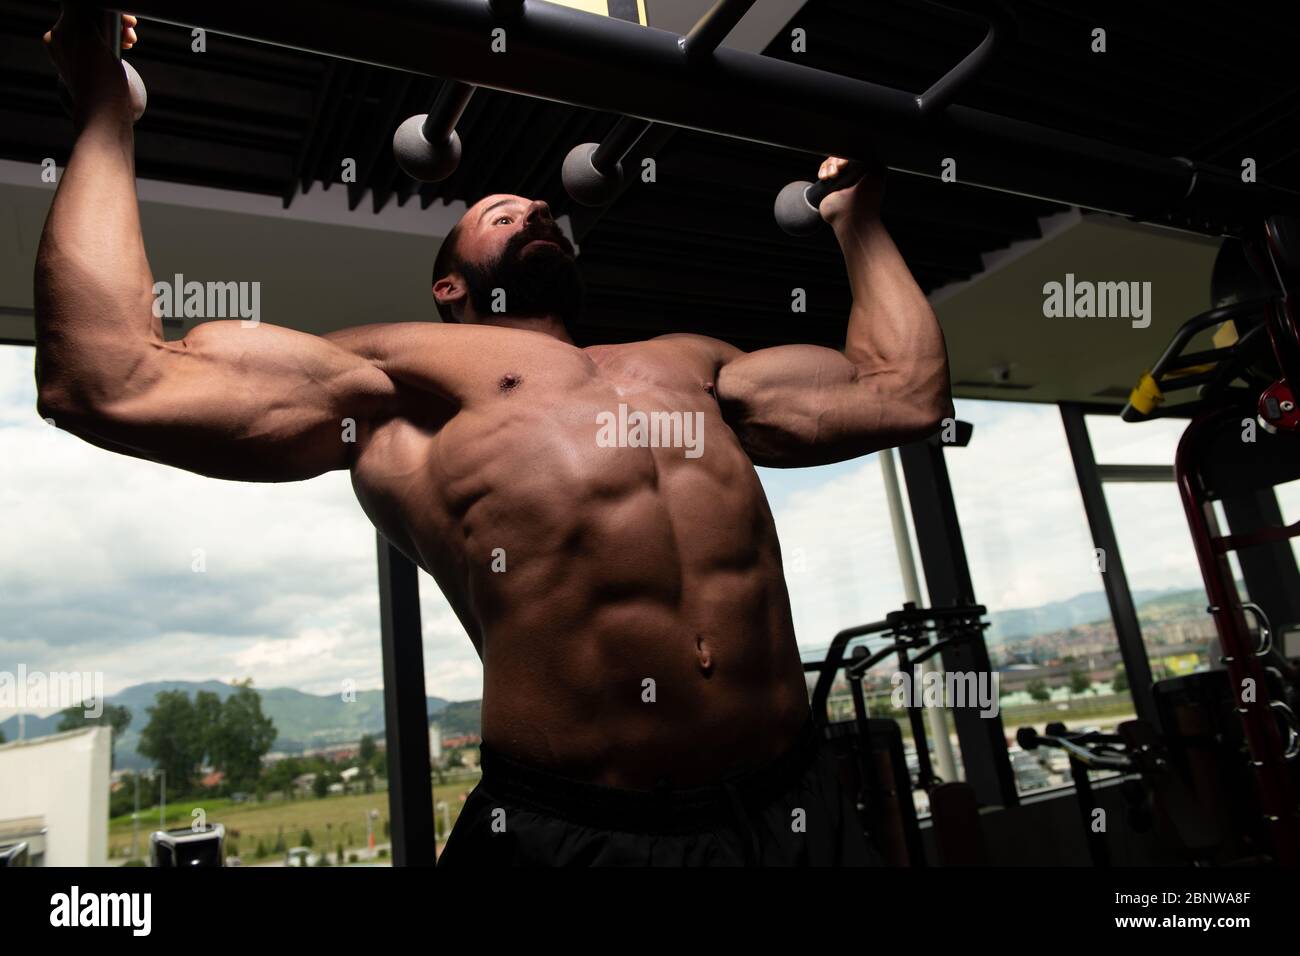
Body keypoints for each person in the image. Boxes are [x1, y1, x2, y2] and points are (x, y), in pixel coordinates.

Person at [36, 9, 951, 866]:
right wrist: (106, 112)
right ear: (449, 287)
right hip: (576, 832)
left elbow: (903, 393)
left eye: (543, 213)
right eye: (500, 215)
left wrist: (856, 222)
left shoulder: (690, 362)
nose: (536, 214)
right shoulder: (398, 380)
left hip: (795, 809)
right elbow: (110, 378)